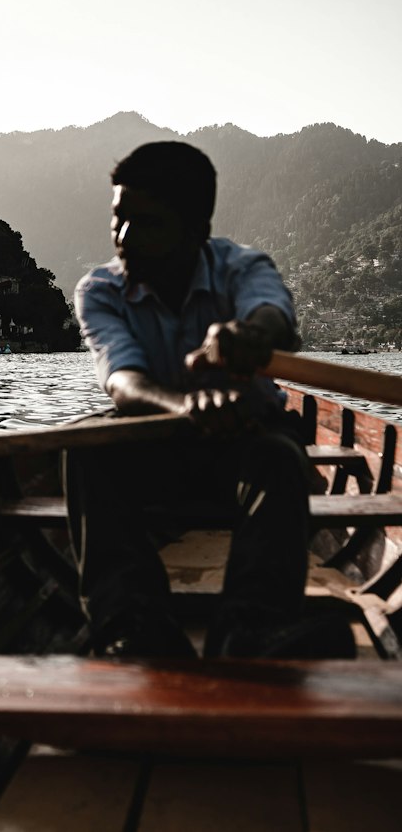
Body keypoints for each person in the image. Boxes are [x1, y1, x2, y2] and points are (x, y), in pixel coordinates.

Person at [69, 140, 342, 661]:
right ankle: (131, 623)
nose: (124, 237)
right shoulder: (100, 290)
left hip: (245, 438)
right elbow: (122, 383)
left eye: (146, 223)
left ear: (196, 230)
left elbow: (275, 317)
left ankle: (253, 627)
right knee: (86, 443)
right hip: (153, 439)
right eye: (118, 219)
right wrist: (184, 407)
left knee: (282, 458)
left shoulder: (241, 267)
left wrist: (249, 335)